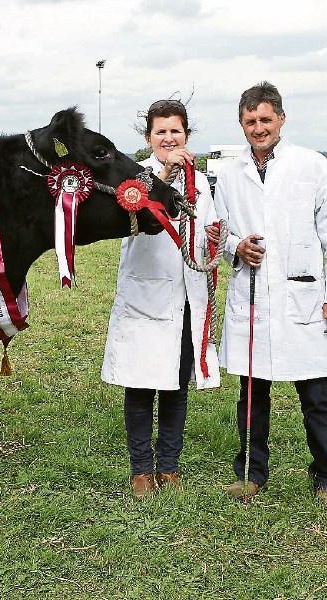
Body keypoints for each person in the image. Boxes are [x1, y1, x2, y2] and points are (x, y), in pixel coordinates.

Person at [210, 81, 327, 502]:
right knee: (252, 395)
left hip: (303, 298)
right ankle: (252, 473)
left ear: (281, 118)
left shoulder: (312, 165)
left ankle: (325, 475)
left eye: (265, 119)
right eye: (250, 121)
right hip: (253, 295)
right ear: (242, 124)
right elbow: (218, 232)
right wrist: (235, 247)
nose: (258, 128)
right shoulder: (228, 173)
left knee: (316, 395)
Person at [101, 99, 220, 499]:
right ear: (148, 137)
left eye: (176, 131)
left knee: (175, 386)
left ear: (187, 134)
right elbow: (133, 225)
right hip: (146, 296)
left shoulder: (201, 182)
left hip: (186, 296)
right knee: (139, 386)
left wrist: (222, 244)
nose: (169, 138)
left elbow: (209, 231)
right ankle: (140, 470)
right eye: (161, 131)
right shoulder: (135, 181)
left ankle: (168, 467)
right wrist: (166, 174)